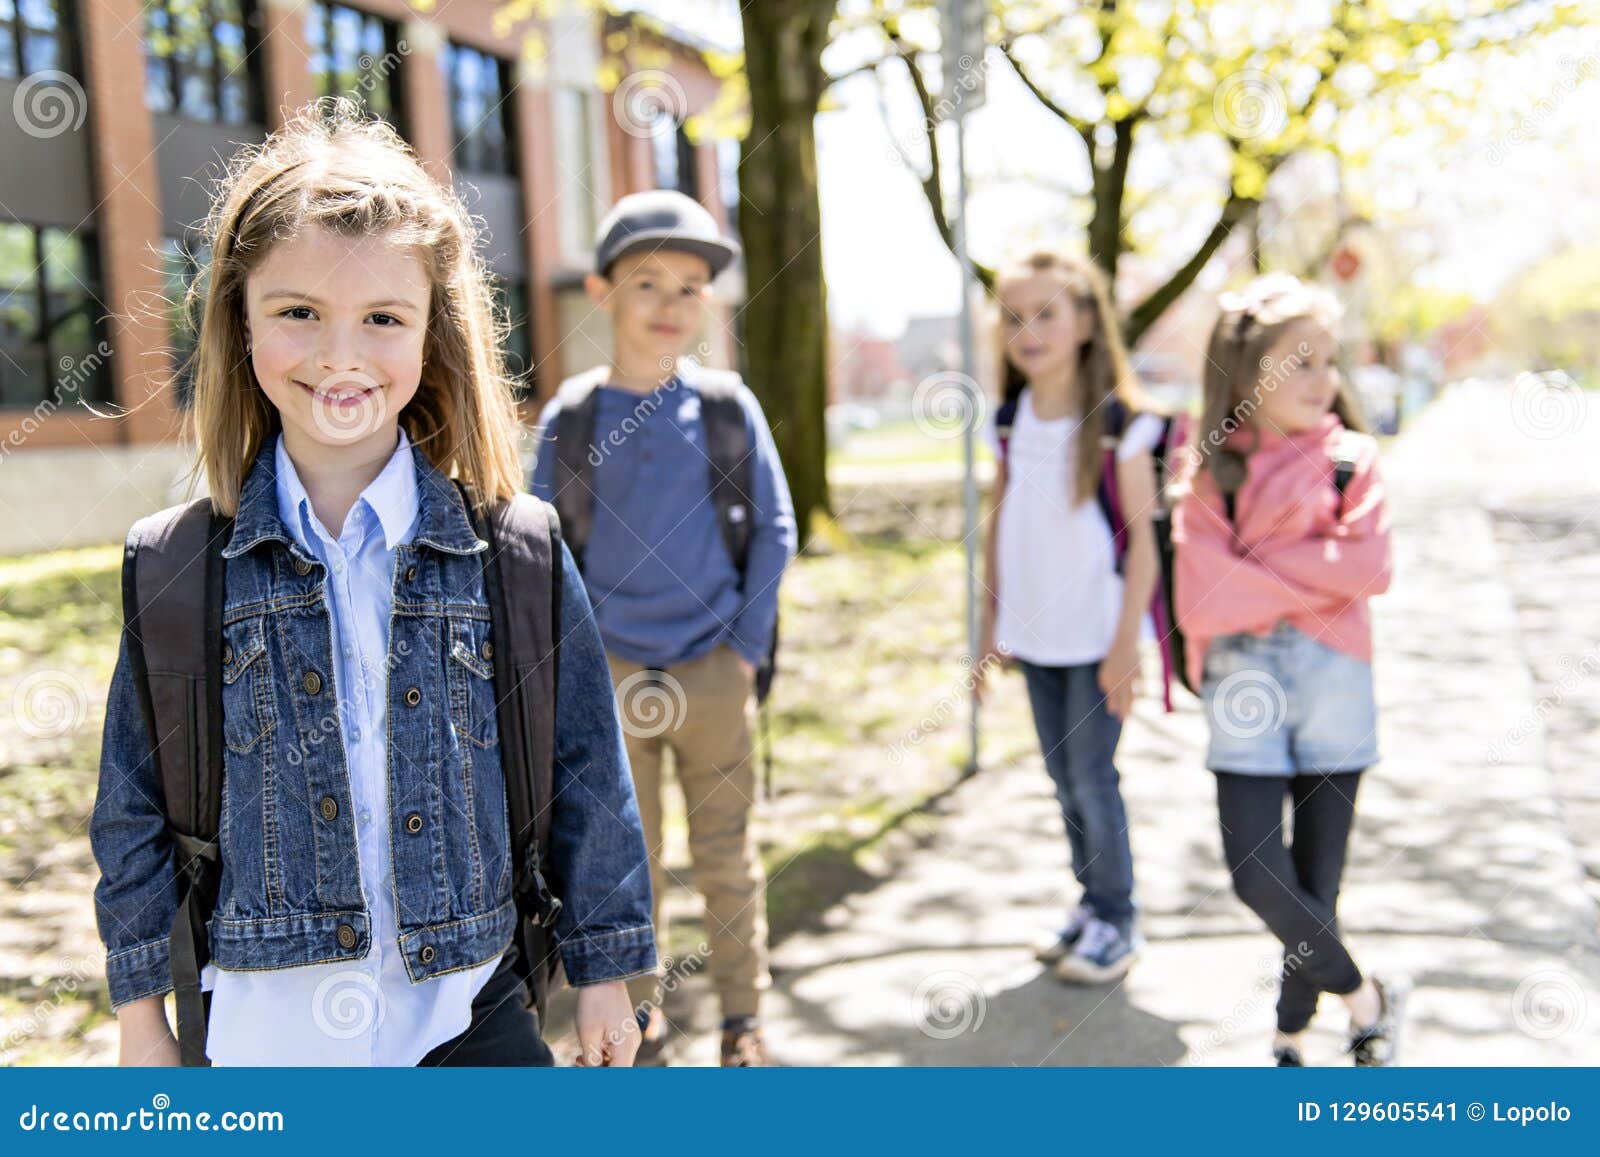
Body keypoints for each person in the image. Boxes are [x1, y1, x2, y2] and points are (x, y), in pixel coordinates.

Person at [90, 98, 655, 1067]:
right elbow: (132, 805)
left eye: (383, 317)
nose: (341, 354)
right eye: (298, 312)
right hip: (268, 1036)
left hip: (466, 1014)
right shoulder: (178, 566)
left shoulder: (514, 551)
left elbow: (587, 770)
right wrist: (142, 1017)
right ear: (242, 319)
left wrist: (605, 967)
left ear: (433, 332)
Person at [528, 190, 797, 1065]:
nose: (671, 304)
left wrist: (743, 649)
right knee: (616, 867)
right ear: (604, 290)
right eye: (648, 283)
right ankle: (633, 1025)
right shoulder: (570, 419)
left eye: (690, 287)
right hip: (608, 679)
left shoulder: (727, 407)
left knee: (726, 854)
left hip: (714, 667)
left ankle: (740, 1017)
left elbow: (776, 530)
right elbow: (535, 548)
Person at [1172, 273, 1403, 1067]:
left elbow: (1371, 566)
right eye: (1297, 360)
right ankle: (1366, 994)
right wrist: (1312, 572)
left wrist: (1256, 570)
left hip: (1337, 685)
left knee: (1317, 883)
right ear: (1243, 373)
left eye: (1328, 360)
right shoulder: (1210, 470)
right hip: (1244, 690)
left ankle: (1288, 1032)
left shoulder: (1351, 462)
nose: (1321, 378)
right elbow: (1203, 599)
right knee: (1257, 873)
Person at [975, 249, 1163, 984]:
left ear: (1086, 321)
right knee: (1061, 775)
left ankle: (1119, 916)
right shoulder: (1010, 416)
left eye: (1047, 313)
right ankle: (1090, 902)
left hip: (1098, 635)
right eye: (1015, 315)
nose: (1030, 329)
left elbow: (1144, 540)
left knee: (1092, 775)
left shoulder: (1123, 423)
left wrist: (1127, 645)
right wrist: (988, 629)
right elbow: (1000, 523)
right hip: (1035, 636)